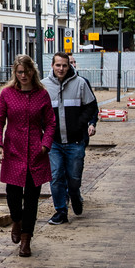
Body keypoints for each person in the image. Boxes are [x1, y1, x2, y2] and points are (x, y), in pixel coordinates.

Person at [0, 54, 55, 257]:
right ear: (15, 73)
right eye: (19, 72)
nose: (23, 76)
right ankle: (16, 220)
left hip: (36, 152)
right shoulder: (7, 93)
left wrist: (45, 145)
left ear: (32, 72)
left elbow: (51, 123)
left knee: (31, 198)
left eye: (27, 72)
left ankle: (26, 238)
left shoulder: (42, 94)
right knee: (13, 195)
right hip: (13, 151)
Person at [43, 52, 99, 224]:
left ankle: (75, 195)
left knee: (74, 178)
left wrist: (80, 124)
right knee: (56, 175)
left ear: (70, 66)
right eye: (58, 65)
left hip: (75, 140)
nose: (61, 69)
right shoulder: (43, 86)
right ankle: (61, 211)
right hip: (54, 142)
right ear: (52, 66)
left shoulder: (80, 84)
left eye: (64, 65)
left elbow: (91, 107)